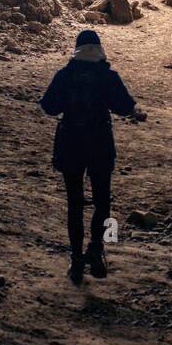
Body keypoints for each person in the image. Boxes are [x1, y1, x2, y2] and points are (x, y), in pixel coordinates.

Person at [38, 30, 137, 284]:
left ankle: (76, 259)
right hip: (99, 142)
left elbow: (49, 106)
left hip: (70, 142)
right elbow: (125, 106)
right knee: (102, 200)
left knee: (74, 203)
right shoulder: (107, 76)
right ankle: (95, 246)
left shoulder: (65, 74)